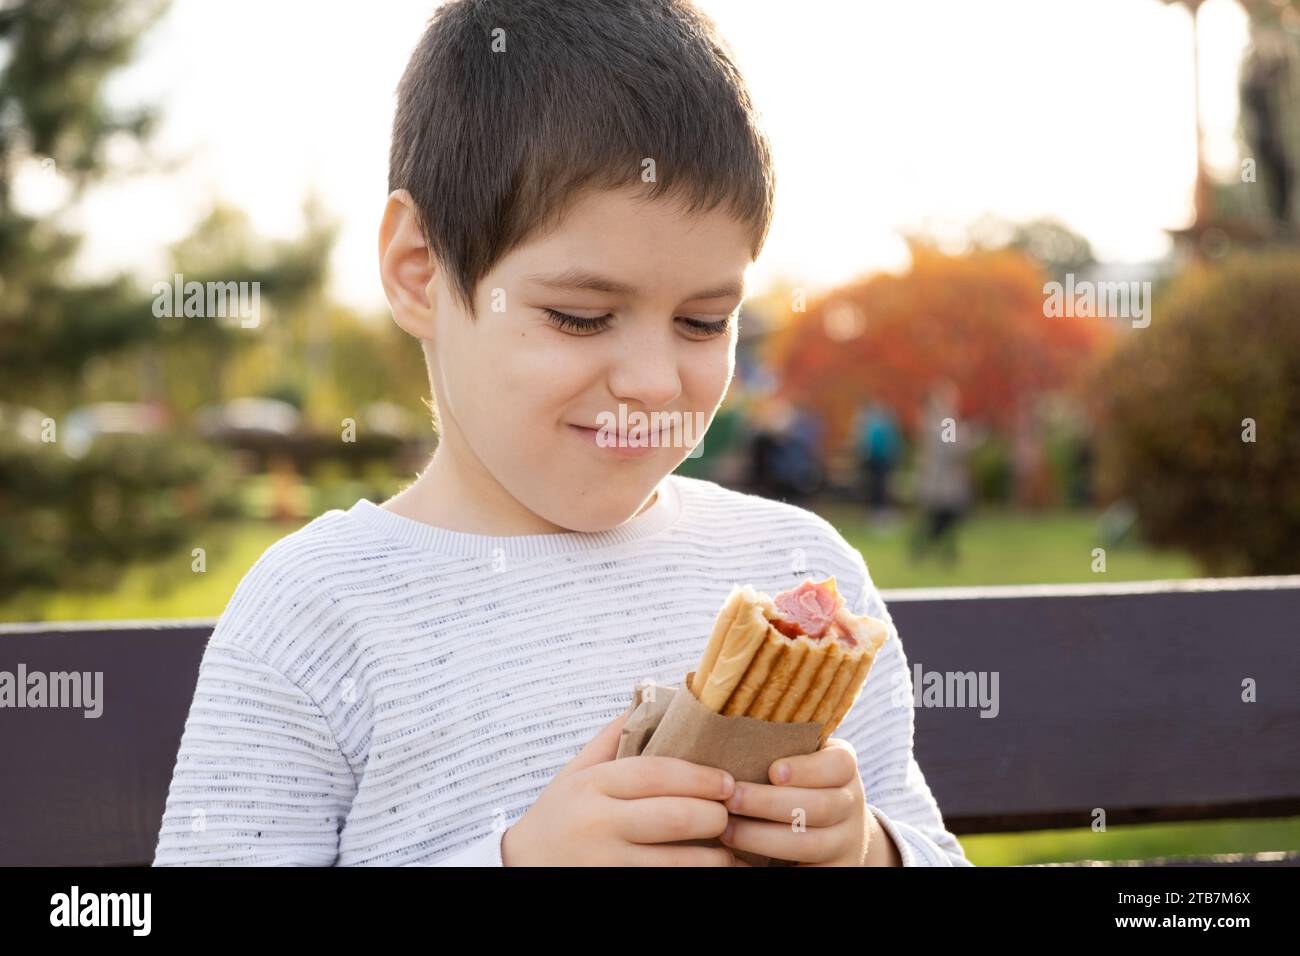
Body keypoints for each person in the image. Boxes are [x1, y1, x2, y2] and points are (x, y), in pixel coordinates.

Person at [153, 0, 969, 868]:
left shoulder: (803, 571)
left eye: (703, 322)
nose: (655, 381)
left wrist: (868, 850)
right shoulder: (320, 614)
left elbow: (931, 852)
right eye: (581, 317)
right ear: (419, 274)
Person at [912, 382, 971, 565]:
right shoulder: (948, 421)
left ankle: (943, 553)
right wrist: (969, 437)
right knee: (944, 518)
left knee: (941, 519)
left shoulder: (935, 419)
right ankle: (930, 551)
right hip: (944, 481)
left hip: (939, 479)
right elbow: (952, 449)